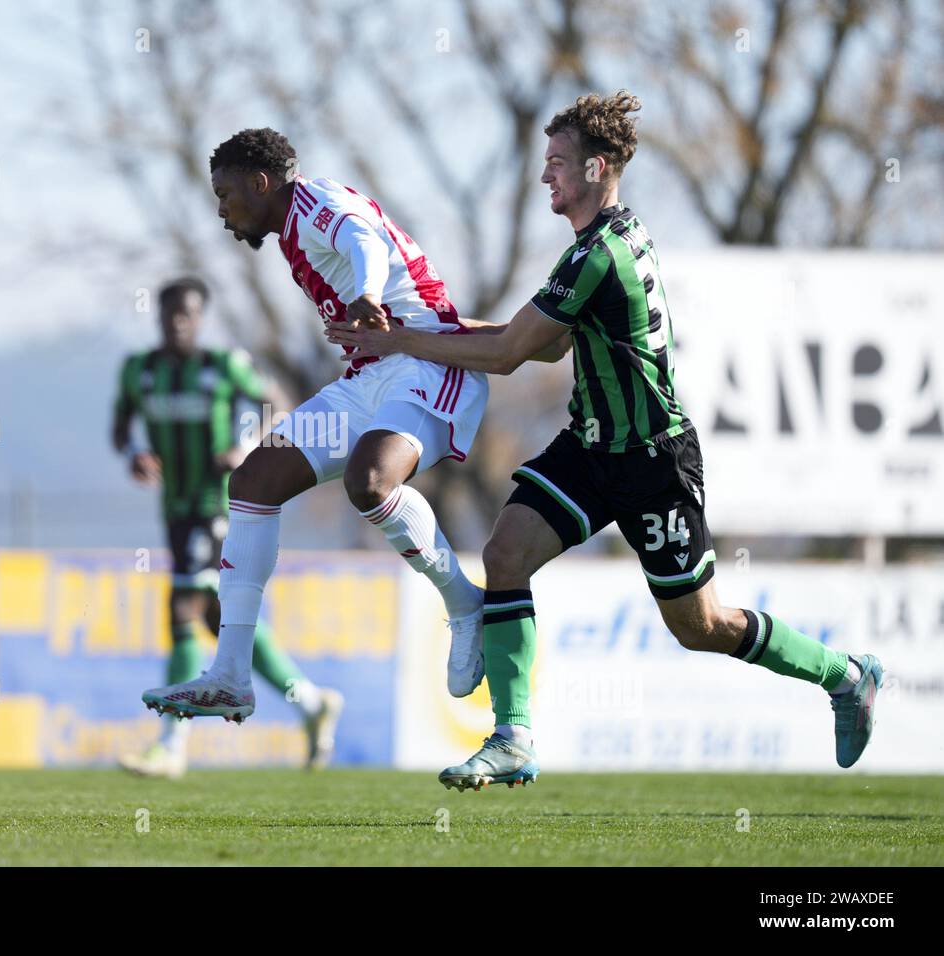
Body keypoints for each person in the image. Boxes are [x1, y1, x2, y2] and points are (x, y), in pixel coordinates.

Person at [326, 92, 883, 790]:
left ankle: (845, 675)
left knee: (700, 625)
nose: (544, 176)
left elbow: (507, 355)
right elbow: (548, 346)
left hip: (653, 460)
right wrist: (420, 333)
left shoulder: (599, 254)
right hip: (592, 449)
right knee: (504, 551)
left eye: (557, 162)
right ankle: (513, 738)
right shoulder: (606, 242)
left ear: (595, 168)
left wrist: (396, 341)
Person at [142, 128, 491, 723]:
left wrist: (369, 294)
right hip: (368, 380)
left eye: (226, 195)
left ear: (261, 183)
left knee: (371, 482)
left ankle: (466, 605)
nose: (223, 211)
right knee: (254, 480)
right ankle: (230, 674)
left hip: (425, 364)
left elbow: (364, 239)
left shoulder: (315, 202)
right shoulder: (291, 232)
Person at [114, 276, 343, 776]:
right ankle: (310, 703)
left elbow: (276, 404)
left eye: (188, 313)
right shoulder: (141, 371)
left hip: (219, 504)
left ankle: (171, 743)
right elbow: (120, 427)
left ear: (199, 318)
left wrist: (247, 444)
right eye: (171, 312)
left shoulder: (222, 368)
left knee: (184, 603)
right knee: (225, 623)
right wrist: (136, 453)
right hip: (174, 511)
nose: (179, 322)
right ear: (159, 316)